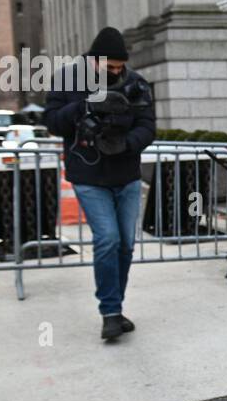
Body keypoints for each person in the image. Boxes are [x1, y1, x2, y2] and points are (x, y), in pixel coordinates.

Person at [44, 26, 156, 341]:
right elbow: (51, 122)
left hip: (127, 175)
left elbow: (148, 127)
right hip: (89, 176)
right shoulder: (68, 79)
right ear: (94, 61)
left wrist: (126, 144)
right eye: (111, 67)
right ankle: (109, 312)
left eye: (120, 67)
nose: (117, 72)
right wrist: (85, 106)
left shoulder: (136, 83)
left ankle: (115, 307)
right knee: (107, 239)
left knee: (126, 244)